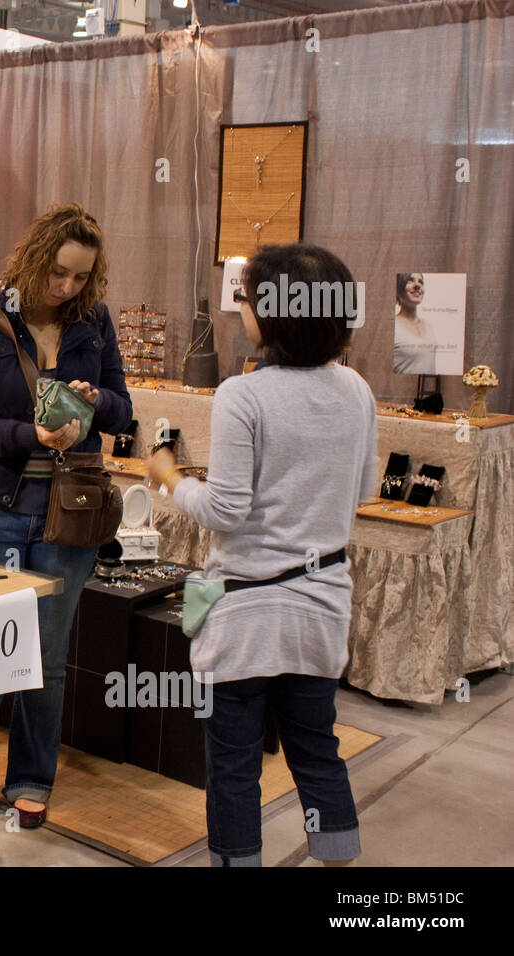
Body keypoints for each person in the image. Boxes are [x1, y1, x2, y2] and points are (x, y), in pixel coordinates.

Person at [146, 243, 377, 867]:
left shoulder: (242, 396)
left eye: (246, 298)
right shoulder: (357, 391)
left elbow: (225, 511)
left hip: (244, 614)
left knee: (233, 769)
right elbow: (363, 492)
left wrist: (170, 477)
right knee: (316, 752)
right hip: (321, 607)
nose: (240, 308)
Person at [0, 203, 131, 831]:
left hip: (70, 513)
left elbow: (121, 412)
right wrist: (34, 435)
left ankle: (30, 778)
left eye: (81, 278)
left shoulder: (94, 324)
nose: (68, 288)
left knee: (46, 657)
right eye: (58, 273)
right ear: (32, 260)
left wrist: (96, 398)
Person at [392, 272, 435, 374]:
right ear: (398, 290)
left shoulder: (429, 326)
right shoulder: (392, 327)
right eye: (410, 281)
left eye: (420, 282)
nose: (417, 285)